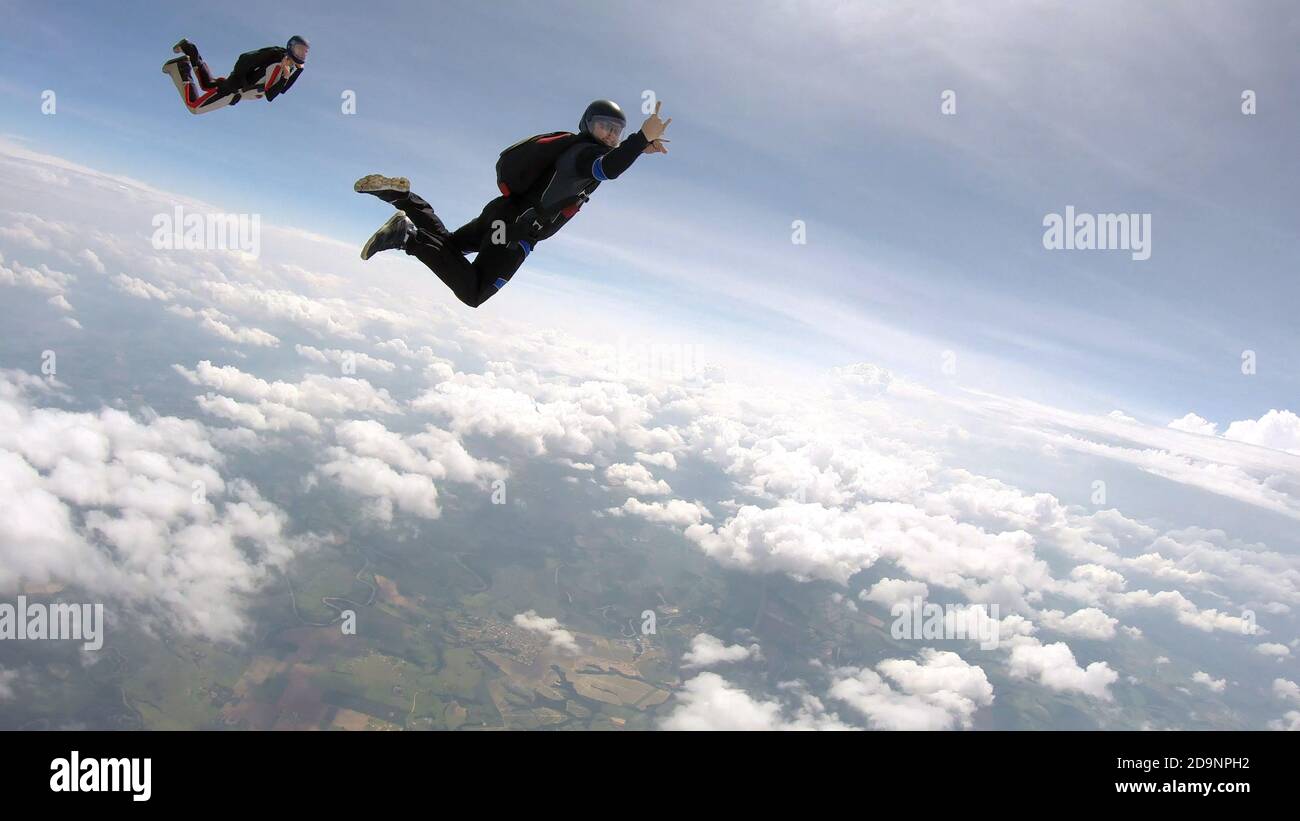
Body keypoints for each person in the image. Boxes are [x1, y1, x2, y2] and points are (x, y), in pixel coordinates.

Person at [355, 99, 671, 308]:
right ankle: (407, 236)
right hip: (512, 231)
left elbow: (607, 163)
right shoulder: (585, 153)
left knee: (448, 248)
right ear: (588, 124)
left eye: (618, 131)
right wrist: (640, 137)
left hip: (503, 215)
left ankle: (405, 200)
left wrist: (638, 148)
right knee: (474, 292)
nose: (612, 134)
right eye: (606, 126)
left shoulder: (577, 149)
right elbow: (608, 168)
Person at [162, 36, 308, 115]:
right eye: (299, 50)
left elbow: (282, 89)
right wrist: (285, 77)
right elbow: (270, 95)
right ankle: (180, 67)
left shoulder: (287, 66)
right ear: (291, 47)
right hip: (232, 92)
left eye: (304, 51)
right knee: (194, 107)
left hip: (236, 85)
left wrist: (298, 71)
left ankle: (190, 49)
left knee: (207, 84)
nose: (301, 54)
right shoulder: (278, 66)